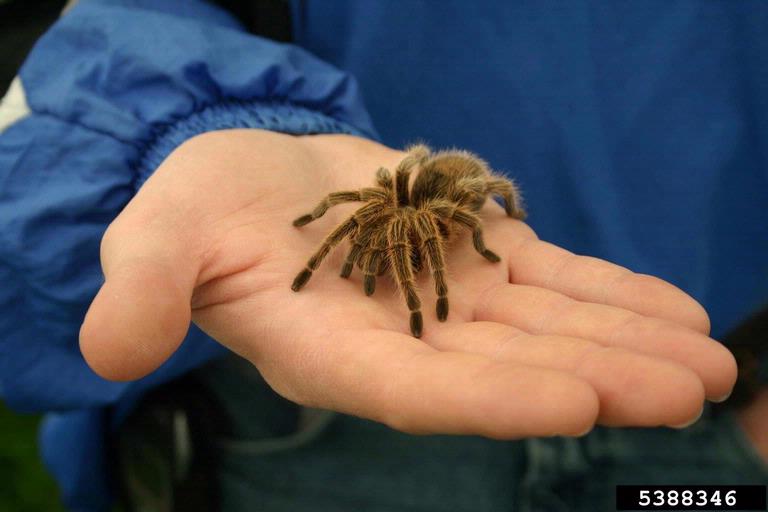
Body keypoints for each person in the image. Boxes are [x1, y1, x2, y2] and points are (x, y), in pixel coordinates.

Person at [0, 1, 765, 510]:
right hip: (300, 431)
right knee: (371, 220)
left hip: (713, 409)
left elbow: (484, 196)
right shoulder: (382, 200)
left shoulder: (455, 203)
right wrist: (223, 135)